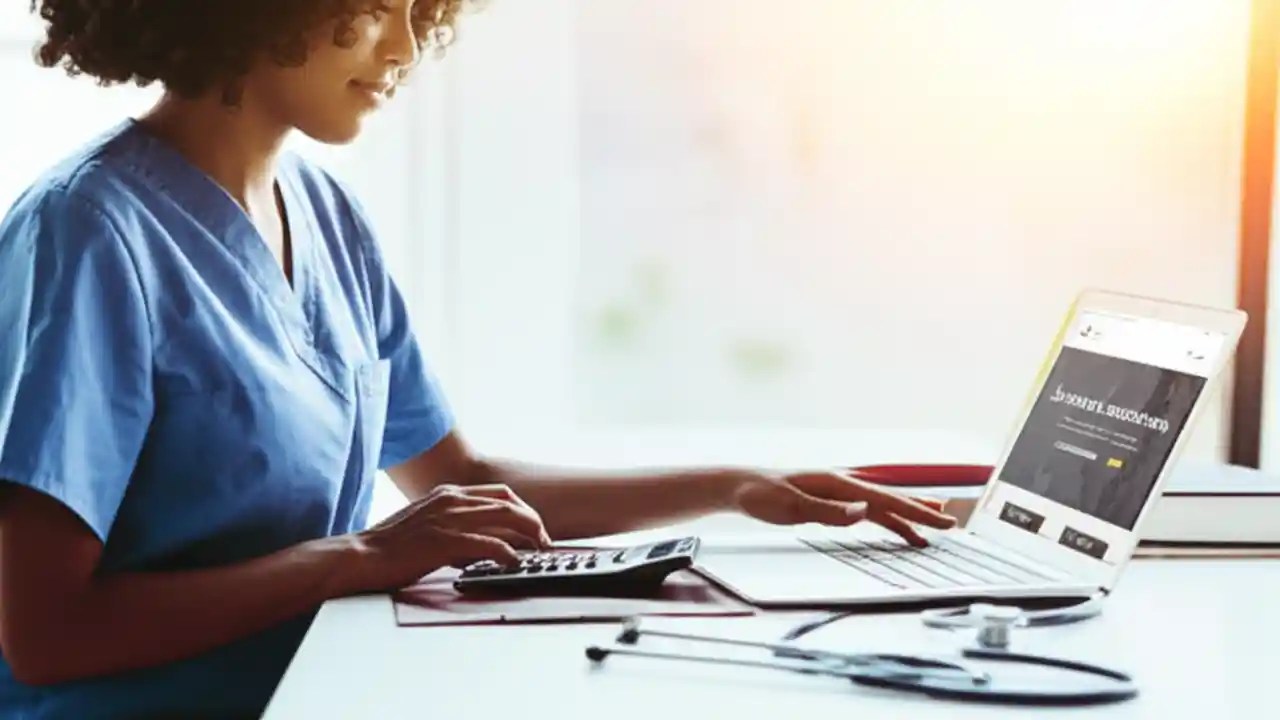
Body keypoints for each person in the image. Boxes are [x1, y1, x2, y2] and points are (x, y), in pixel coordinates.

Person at [0, 1, 957, 717]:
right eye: (381, 6)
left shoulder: (326, 215)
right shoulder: (87, 235)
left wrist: (741, 484)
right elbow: (43, 636)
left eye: (429, 12)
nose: (410, 48)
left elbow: (457, 481)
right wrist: (364, 555)